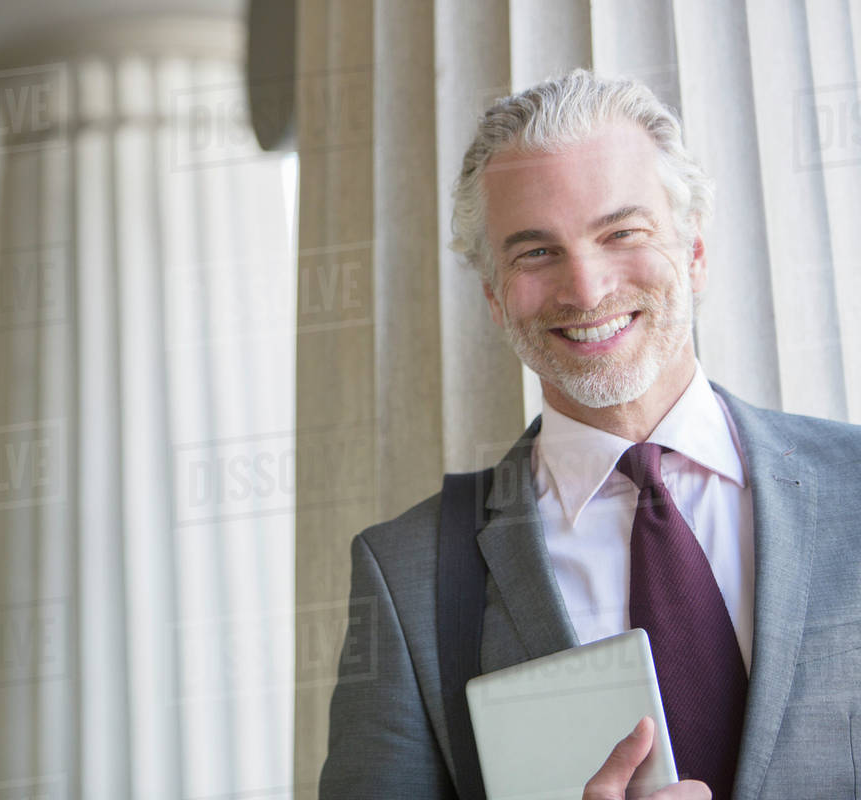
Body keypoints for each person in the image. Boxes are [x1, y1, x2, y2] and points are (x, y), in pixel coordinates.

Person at [318, 69, 861, 800]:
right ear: (493, 296)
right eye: (536, 252)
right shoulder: (406, 575)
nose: (587, 288)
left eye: (623, 233)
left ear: (694, 253)